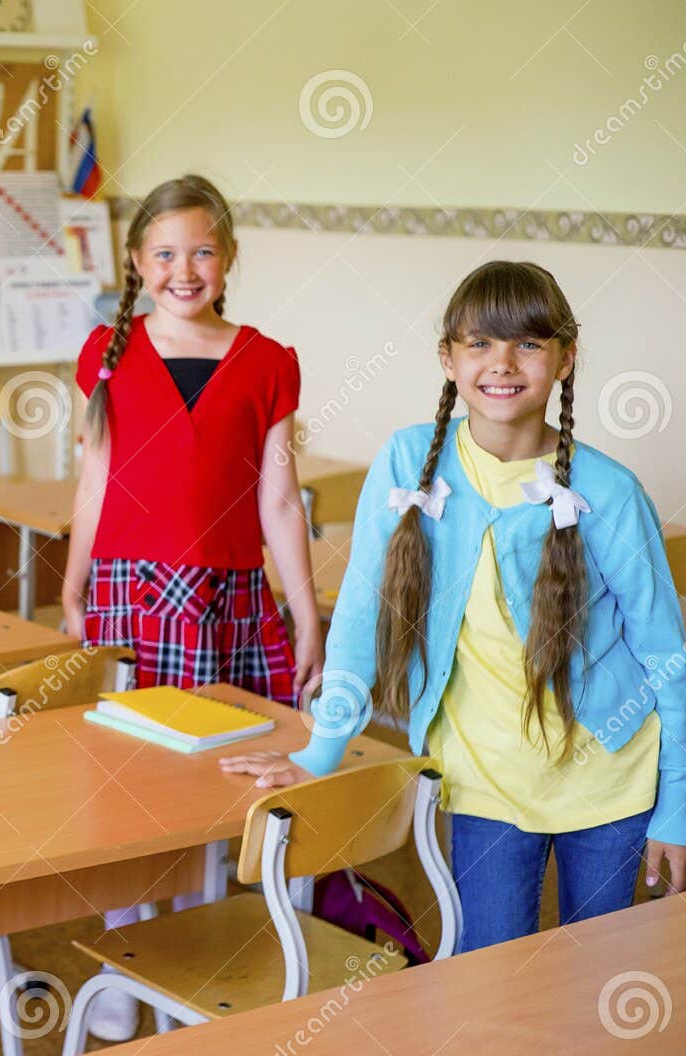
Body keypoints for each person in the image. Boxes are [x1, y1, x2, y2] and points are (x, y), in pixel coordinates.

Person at [222, 260, 686, 950]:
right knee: (488, 980)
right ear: (448, 357)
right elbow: (358, 617)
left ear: (566, 358)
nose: (502, 362)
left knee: (599, 983)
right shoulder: (411, 460)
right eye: (480, 343)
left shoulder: (609, 490)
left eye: (528, 343)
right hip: (484, 781)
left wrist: (676, 803)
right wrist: (322, 751)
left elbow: (665, 653)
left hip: (612, 780)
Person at [61, 174, 323, 1042]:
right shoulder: (105, 348)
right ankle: (126, 954)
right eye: (165, 253)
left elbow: (281, 502)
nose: (185, 268)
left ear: (229, 259)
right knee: (130, 780)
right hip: (130, 593)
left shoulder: (269, 358)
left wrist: (306, 611)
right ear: (137, 262)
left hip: (229, 597)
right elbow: (94, 476)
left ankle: (209, 943)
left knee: (223, 770)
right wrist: (72, 581)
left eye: (202, 251)